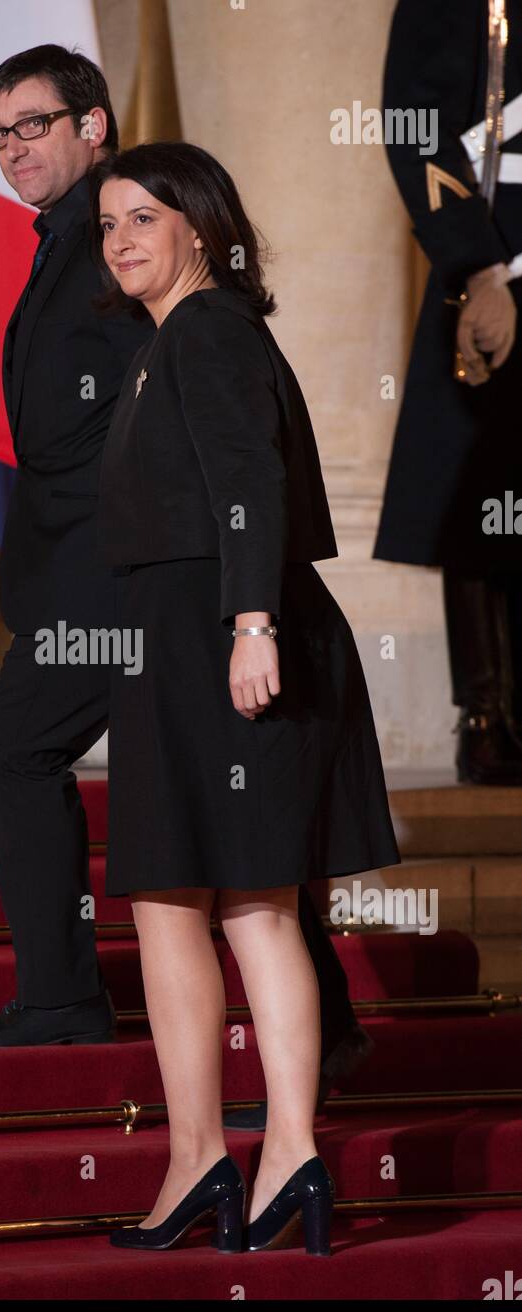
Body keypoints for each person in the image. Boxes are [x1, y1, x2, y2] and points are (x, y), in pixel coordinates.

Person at [0, 44, 376, 1138]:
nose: (11, 149)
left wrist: (245, 615)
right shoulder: (71, 245)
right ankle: (324, 1037)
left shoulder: (139, 257)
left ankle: (61, 996)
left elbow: (229, 454)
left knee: (20, 748)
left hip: (137, 580)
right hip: (106, 573)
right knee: (221, 828)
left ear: (94, 125)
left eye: (32, 124)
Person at [92, 141, 400, 1252]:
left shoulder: (209, 328)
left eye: (143, 218)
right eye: (109, 224)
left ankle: (222, 1162)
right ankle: (272, 1160)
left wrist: (250, 625)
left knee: (209, 900)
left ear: (200, 225)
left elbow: (246, 483)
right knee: (235, 902)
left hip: (225, 629)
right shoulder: (168, 340)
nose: (121, 239)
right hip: (193, 631)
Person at [373, 0, 522, 784]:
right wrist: (478, 267)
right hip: (501, 263)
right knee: (487, 494)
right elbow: (414, 125)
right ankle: (489, 712)